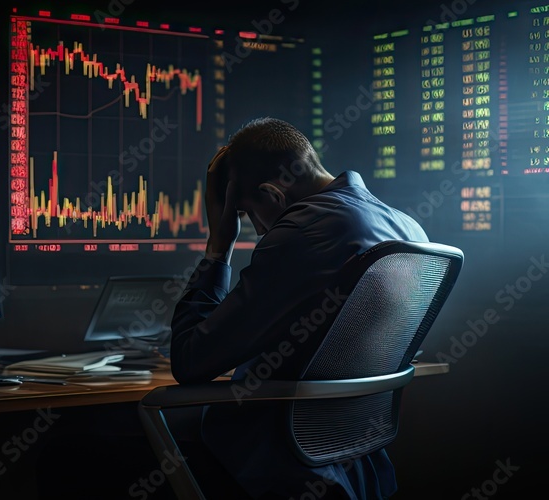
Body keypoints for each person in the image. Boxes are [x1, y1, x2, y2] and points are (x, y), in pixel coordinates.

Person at [169, 117, 428, 499]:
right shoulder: (407, 228)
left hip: (278, 456)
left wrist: (218, 248)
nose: (256, 230)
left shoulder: (305, 230)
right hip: (354, 458)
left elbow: (190, 360)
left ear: (273, 195)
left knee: (76, 446)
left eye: (246, 214)